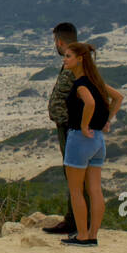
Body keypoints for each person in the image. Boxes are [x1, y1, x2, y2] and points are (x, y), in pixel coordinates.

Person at [60, 42, 123, 247]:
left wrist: (85, 124)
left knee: (76, 190)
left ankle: (82, 236)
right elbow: (118, 98)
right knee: (95, 190)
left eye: (68, 56)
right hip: (98, 141)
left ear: (80, 59)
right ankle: (93, 234)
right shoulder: (96, 82)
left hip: (80, 139)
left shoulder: (81, 84)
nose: (64, 59)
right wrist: (106, 121)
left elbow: (90, 103)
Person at [44, 22, 82, 235]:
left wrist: (65, 122)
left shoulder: (72, 65)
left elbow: (59, 101)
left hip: (71, 130)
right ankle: (79, 221)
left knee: (74, 175)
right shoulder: (85, 61)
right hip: (79, 128)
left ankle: (75, 223)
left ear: (59, 41)